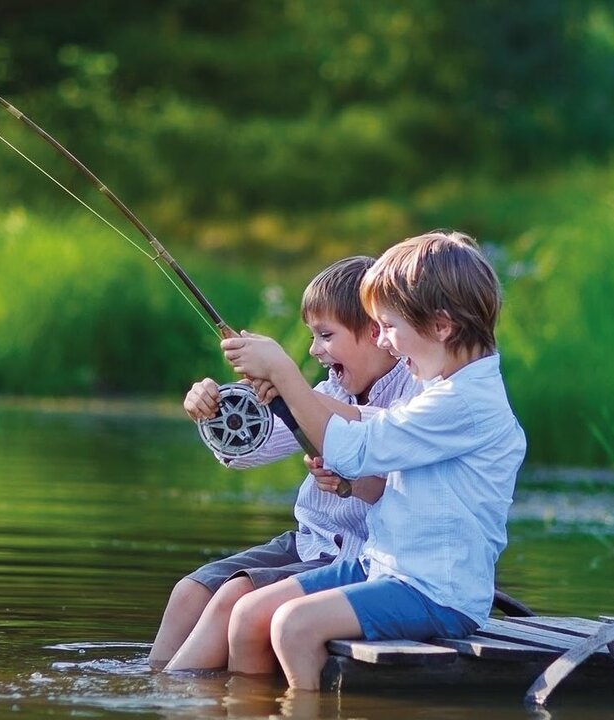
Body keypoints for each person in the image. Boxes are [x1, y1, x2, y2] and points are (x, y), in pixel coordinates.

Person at [220, 230, 526, 690]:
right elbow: (373, 453)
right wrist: (290, 395)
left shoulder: (465, 402)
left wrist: (284, 373)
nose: (382, 341)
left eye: (388, 327)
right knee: (249, 613)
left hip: (434, 591)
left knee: (293, 626)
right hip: (381, 567)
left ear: (441, 326)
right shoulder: (439, 387)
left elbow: (355, 449)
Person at [149, 256, 419, 671]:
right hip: (308, 542)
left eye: (326, 335)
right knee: (190, 592)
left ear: (374, 331)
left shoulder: (415, 392)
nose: (314, 349)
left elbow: (379, 431)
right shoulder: (330, 390)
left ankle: (175, 695)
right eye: (312, 336)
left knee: (232, 598)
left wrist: (289, 383)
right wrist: (216, 410)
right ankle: (154, 686)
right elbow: (248, 452)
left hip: (359, 558)